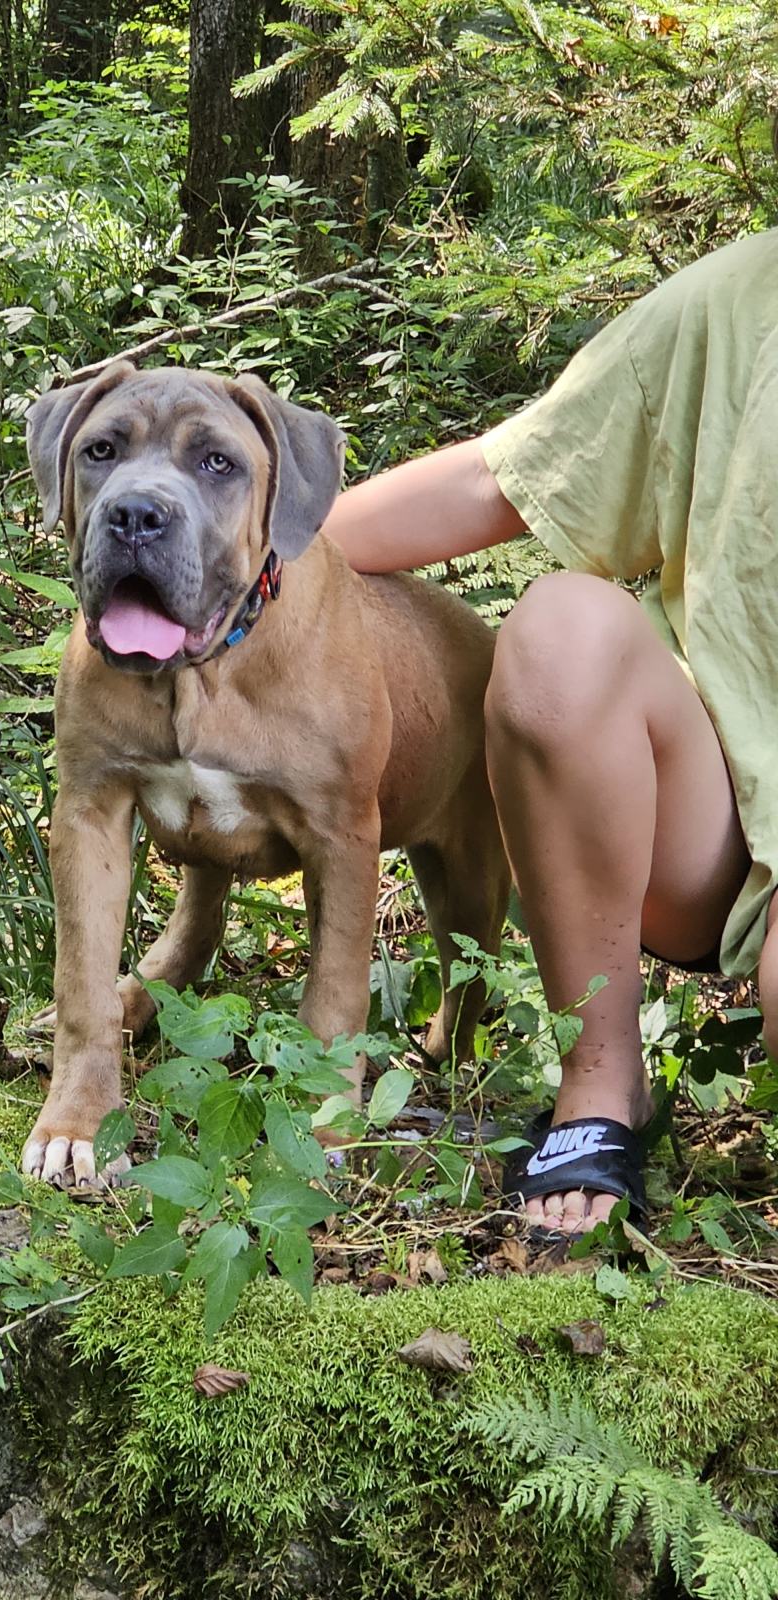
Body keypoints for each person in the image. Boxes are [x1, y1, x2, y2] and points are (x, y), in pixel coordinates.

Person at [320, 227, 778, 1234]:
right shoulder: (741, 300)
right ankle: (601, 1082)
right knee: (560, 633)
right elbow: (503, 478)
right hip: (724, 821)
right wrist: (253, 567)